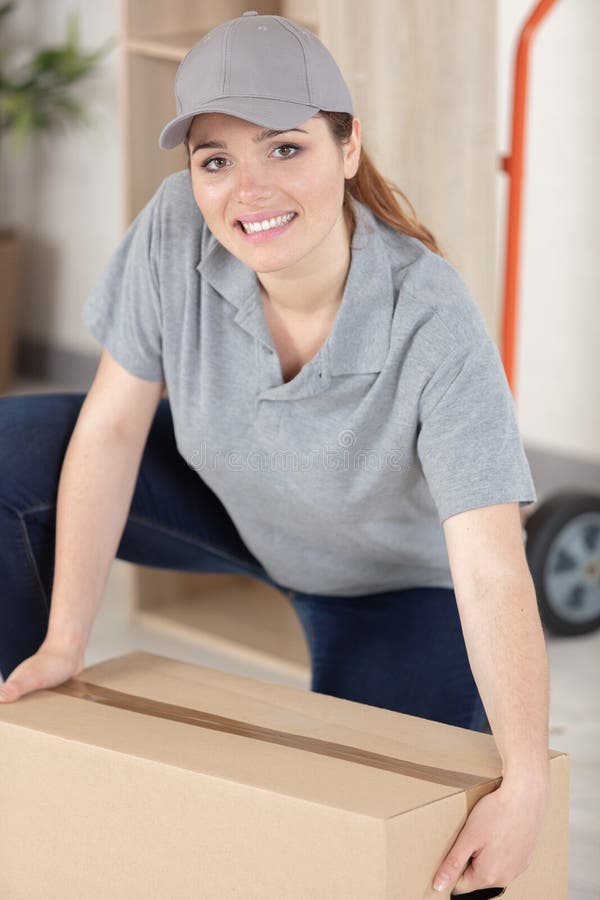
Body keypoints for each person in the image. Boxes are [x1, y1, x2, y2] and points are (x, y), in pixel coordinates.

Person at [0, 13, 550, 892]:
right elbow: (108, 428)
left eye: (284, 148)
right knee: (11, 450)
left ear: (348, 148)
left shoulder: (430, 316)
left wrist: (526, 783)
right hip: (232, 504)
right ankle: (22, 746)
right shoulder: (176, 225)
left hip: (389, 586)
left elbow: (490, 566)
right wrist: (67, 640)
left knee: (364, 821)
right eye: (216, 159)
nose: (247, 189)